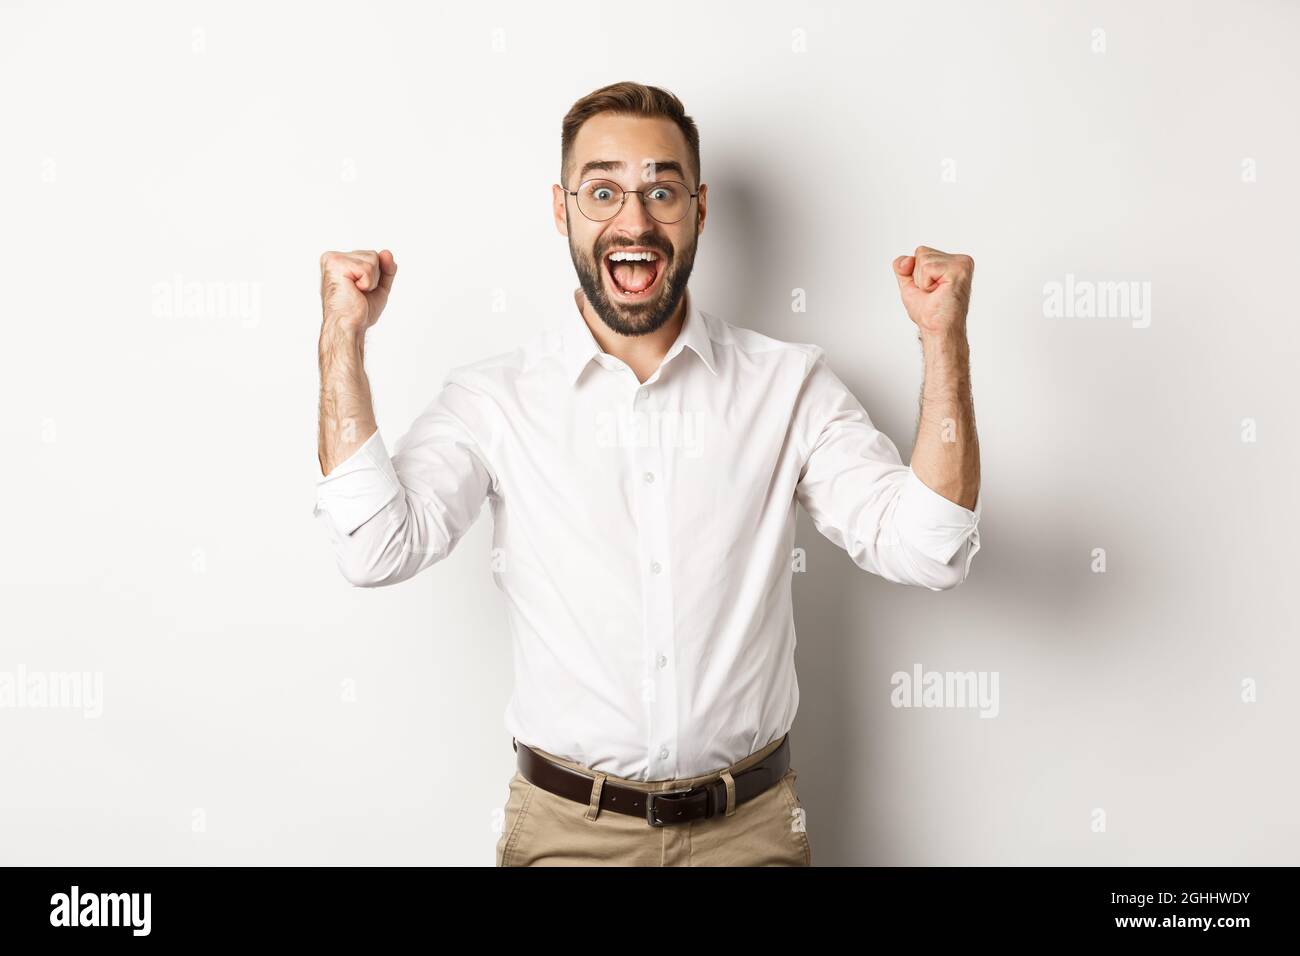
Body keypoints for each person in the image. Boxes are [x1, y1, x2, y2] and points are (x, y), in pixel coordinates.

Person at [313, 81, 982, 866]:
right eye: (603, 191)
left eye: (661, 191)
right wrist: (340, 338)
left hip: (752, 835)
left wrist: (943, 339)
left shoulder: (789, 386)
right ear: (562, 210)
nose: (634, 221)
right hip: (566, 837)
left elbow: (929, 549)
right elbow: (375, 549)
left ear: (699, 208)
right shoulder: (492, 401)